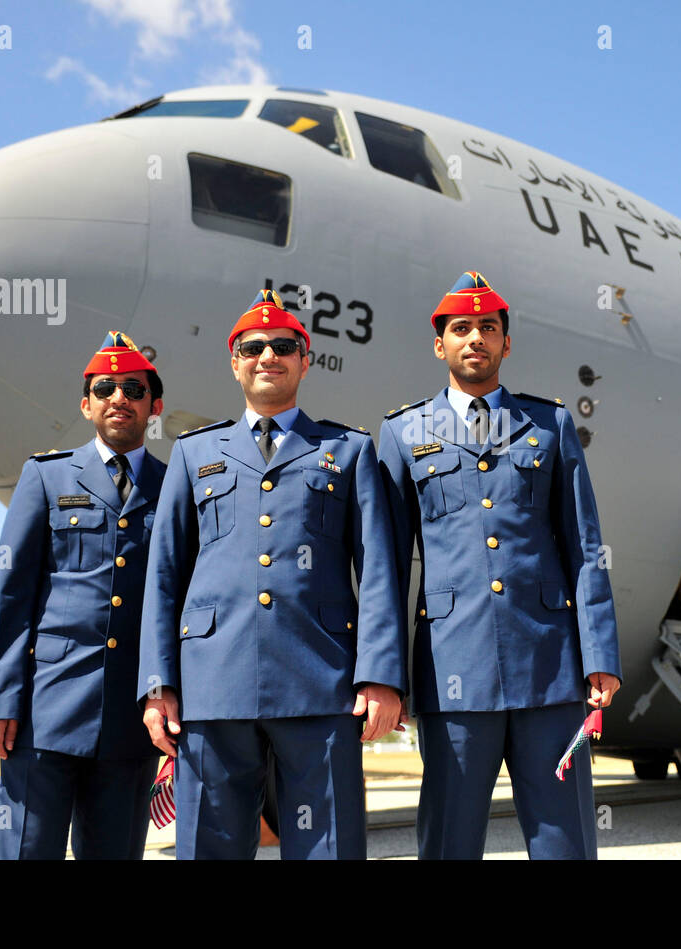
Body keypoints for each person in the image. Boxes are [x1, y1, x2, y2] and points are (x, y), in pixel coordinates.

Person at [138, 289, 406, 860]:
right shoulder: (193, 454)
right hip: (213, 684)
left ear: (305, 361)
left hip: (320, 680)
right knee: (210, 846)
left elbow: (379, 570)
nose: (268, 356)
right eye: (253, 347)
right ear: (234, 362)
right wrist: (159, 686)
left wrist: (380, 675)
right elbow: (163, 576)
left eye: (284, 346)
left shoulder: (348, 450)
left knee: (327, 847)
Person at [378, 271, 623, 860]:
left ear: (506, 344)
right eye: (460, 329)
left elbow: (584, 545)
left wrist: (600, 657)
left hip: (550, 666)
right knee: (449, 840)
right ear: (440, 345)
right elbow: (384, 567)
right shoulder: (402, 432)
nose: (475, 339)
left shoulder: (550, 423)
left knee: (563, 838)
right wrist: (385, 674)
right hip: (451, 669)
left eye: (488, 328)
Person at [0, 331, 166, 859]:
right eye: (105, 388)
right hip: (43, 711)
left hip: (131, 722)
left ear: (154, 406)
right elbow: (9, 594)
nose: (119, 398)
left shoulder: (176, 489)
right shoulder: (45, 476)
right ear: (86, 404)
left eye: (133, 388)